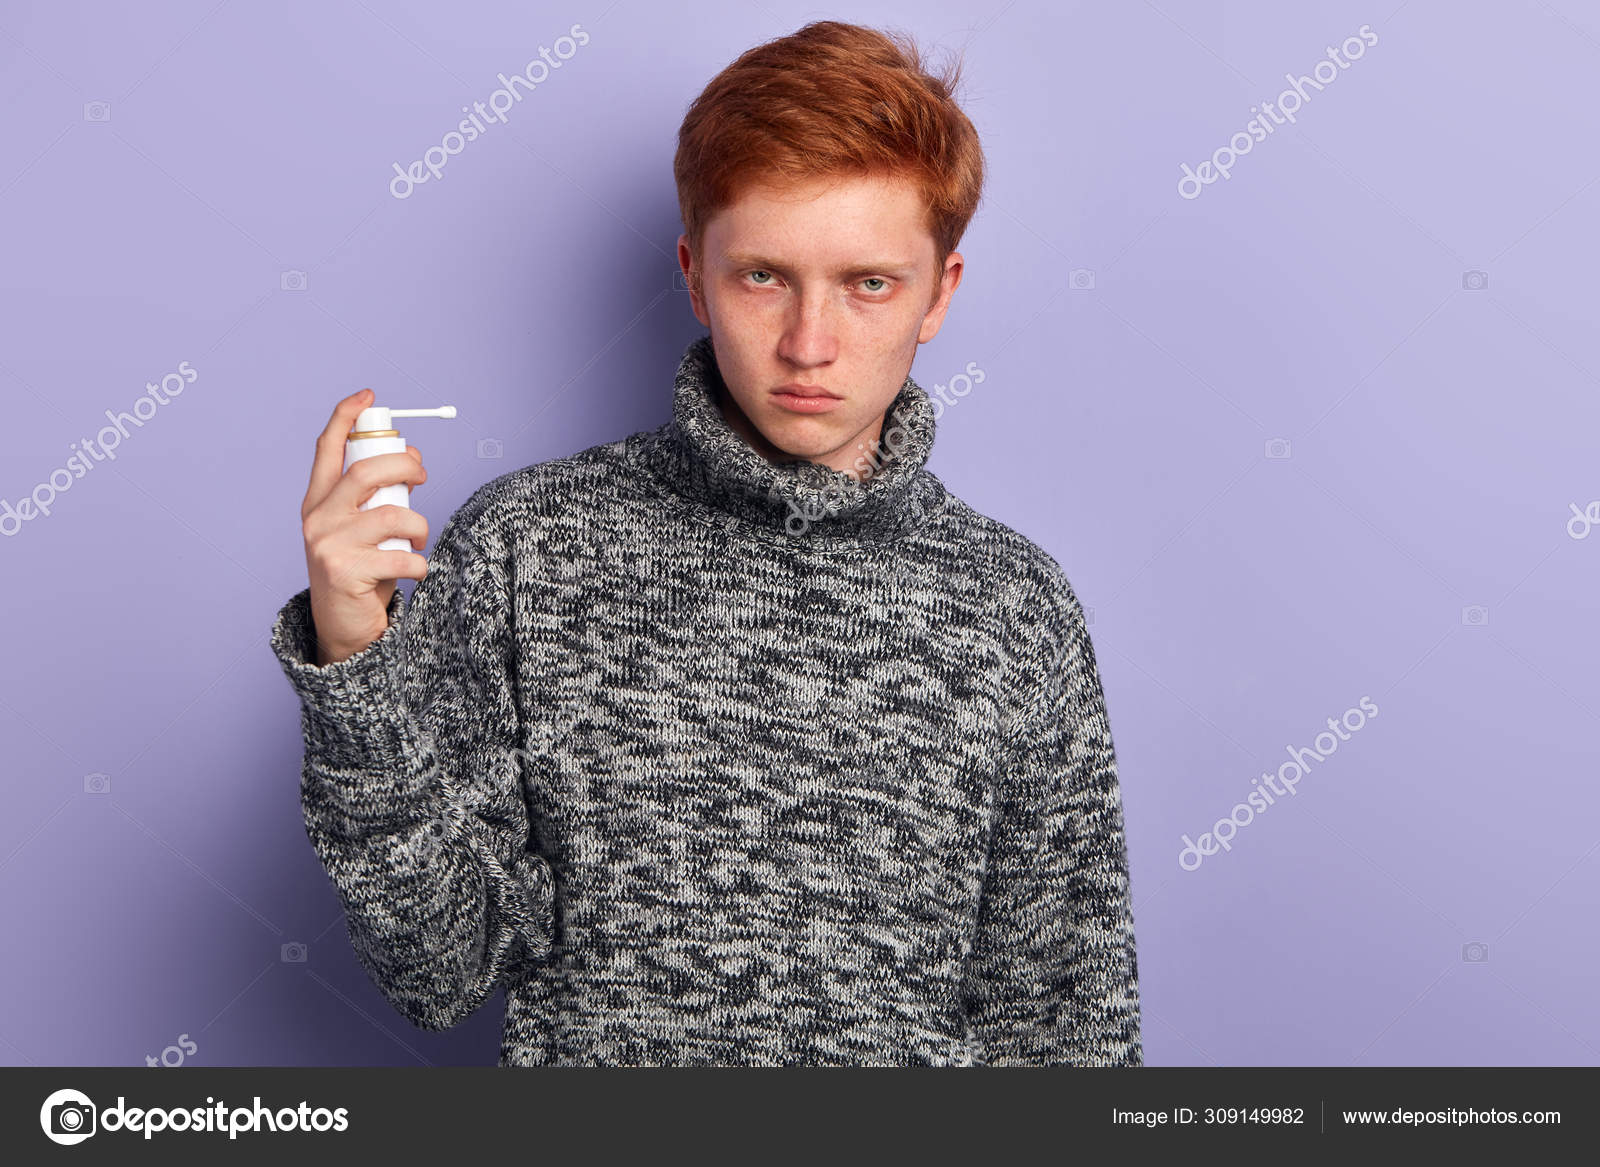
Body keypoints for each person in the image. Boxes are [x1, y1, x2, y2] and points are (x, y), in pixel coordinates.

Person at [270, 19, 1142, 1067]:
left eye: (869, 283)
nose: (809, 344)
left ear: (938, 295)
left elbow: (1064, 1032)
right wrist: (357, 664)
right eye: (762, 276)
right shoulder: (527, 549)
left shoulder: (1013, 606)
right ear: (694, 275)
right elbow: (438, 973)